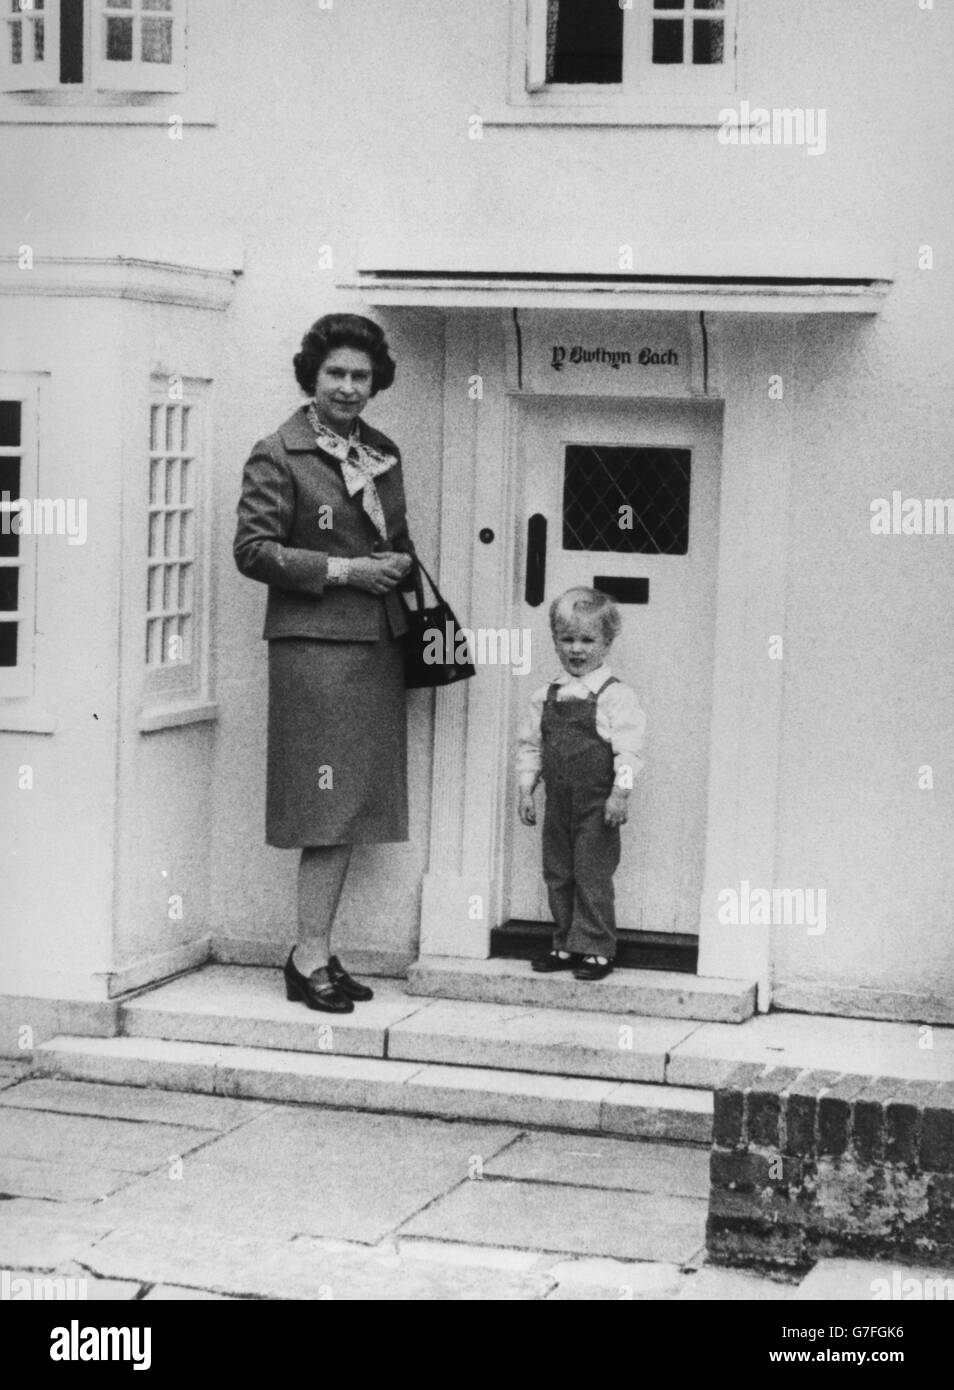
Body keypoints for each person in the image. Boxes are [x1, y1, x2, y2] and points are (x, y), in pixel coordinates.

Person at [234, 313, 416, 1013]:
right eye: (336, 373)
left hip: (373, 647)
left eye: (361, 376)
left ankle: (318, 948)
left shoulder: (381, 451)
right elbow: (253, 551)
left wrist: (393, 564)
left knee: (352, 808)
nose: (348, 386)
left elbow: (390, 540)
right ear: (312, 376)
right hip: (314, 653)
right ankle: (305, 954)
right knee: (324, 808)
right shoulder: (278, 452)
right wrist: (346, 570)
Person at [517, 587, 646, 980]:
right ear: (554, 639)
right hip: (558, 803)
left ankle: (597, 946)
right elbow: (530, 746)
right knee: (558, 871)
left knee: (591, 873)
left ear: (607, 643)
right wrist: (526, 789)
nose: (576, 649)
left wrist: (620, 794)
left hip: (597, 805)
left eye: (587, 640)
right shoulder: (546, 696)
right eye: (567, 639)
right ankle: (565, 942)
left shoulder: (614, 697)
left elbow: (630, 752)